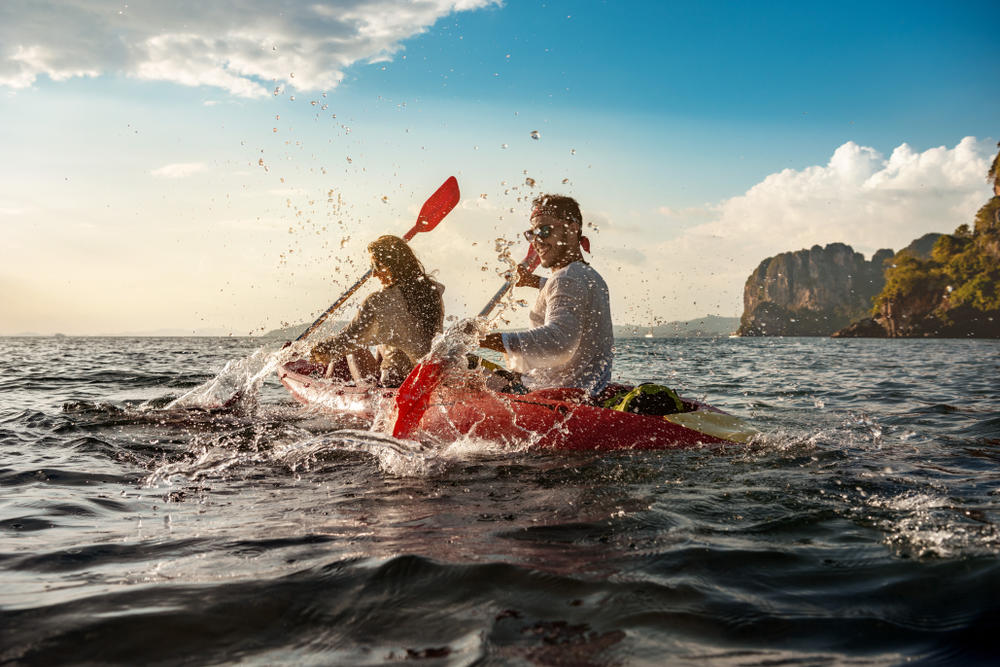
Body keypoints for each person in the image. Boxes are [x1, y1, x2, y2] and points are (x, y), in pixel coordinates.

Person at [478, 194, 613, 398]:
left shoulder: (565, 278)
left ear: (572, 229)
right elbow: (565, 294)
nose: (537, 241)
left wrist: (480, 339)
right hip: (583, 392)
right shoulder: (589, 276)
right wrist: (535, 281)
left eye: (544, 230)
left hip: (550, 394)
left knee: (462, 363)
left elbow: (558, 342)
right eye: (531, 234)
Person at [310, 235, 444, 387]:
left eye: (377, 266)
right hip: (428, 377)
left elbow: (347, 339)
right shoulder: (432, 291)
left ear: (393, 266)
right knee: (383, 341)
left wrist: (314, 351)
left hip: (395, 382)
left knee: (353, 345)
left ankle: (325, 385)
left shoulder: (378, 301)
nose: (373, 273)